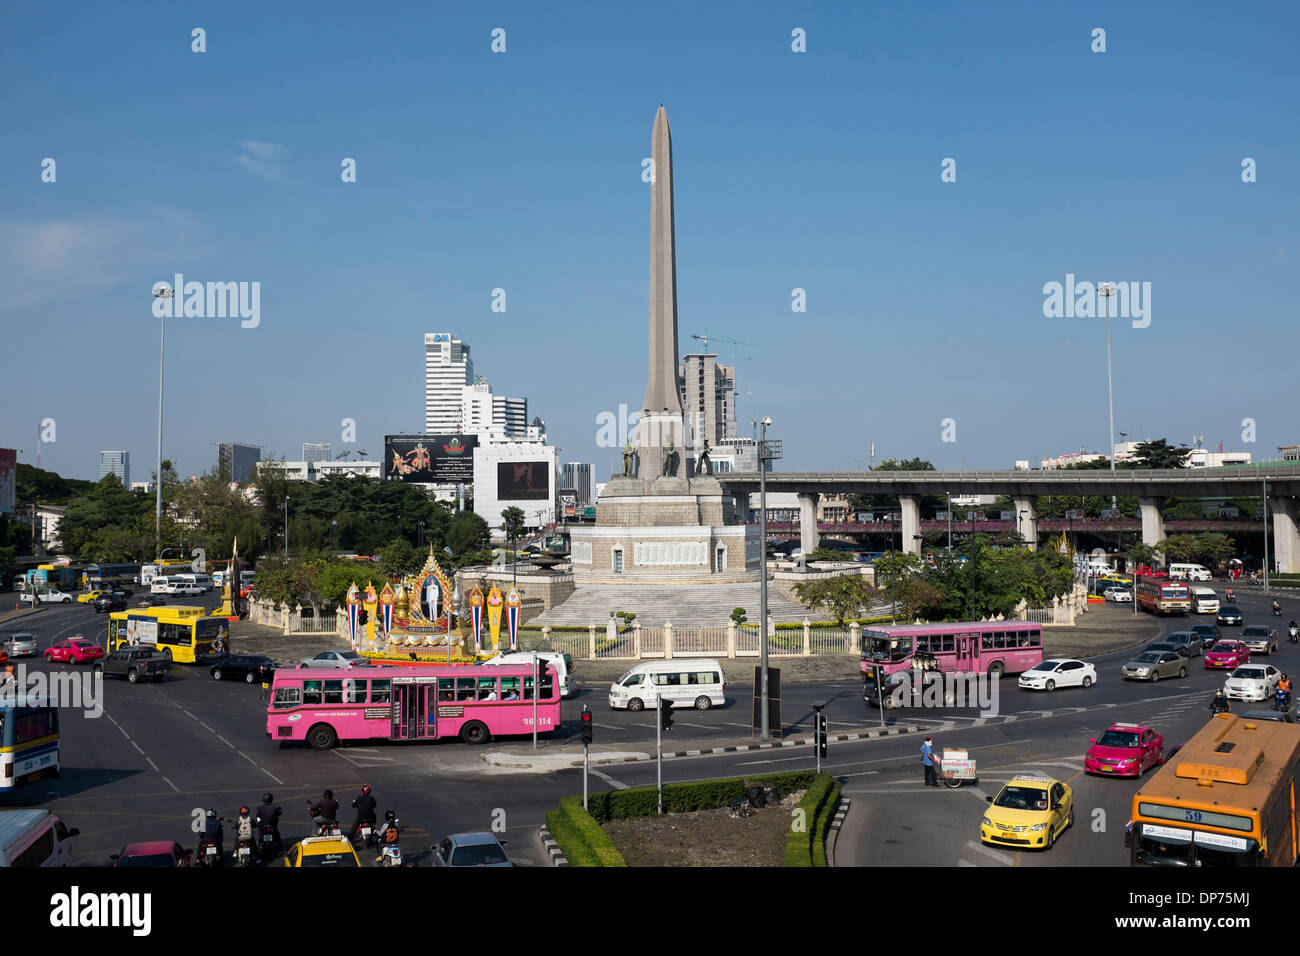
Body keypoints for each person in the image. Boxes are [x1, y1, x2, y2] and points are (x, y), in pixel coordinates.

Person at [255, 792, 283, 857]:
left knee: (260, 836)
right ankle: (281, 849)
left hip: (263, 827)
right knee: (277, 836)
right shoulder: (274, 808)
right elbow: (279, 813)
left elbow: (257, 817)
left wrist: (259, 822)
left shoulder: (261, 808)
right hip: (272, 826)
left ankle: (259, 846)